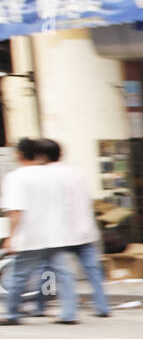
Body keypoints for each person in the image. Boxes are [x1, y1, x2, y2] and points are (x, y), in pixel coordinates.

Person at [2, 138, 105, 325]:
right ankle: (69, 313)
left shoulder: (17, 177)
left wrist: (11, 236)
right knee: (64, 273)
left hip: (31, 235)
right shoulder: (54, 175)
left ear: (19, 155)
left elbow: (16, 210)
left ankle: (12, 314)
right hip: (57, 235)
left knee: (20, 274)